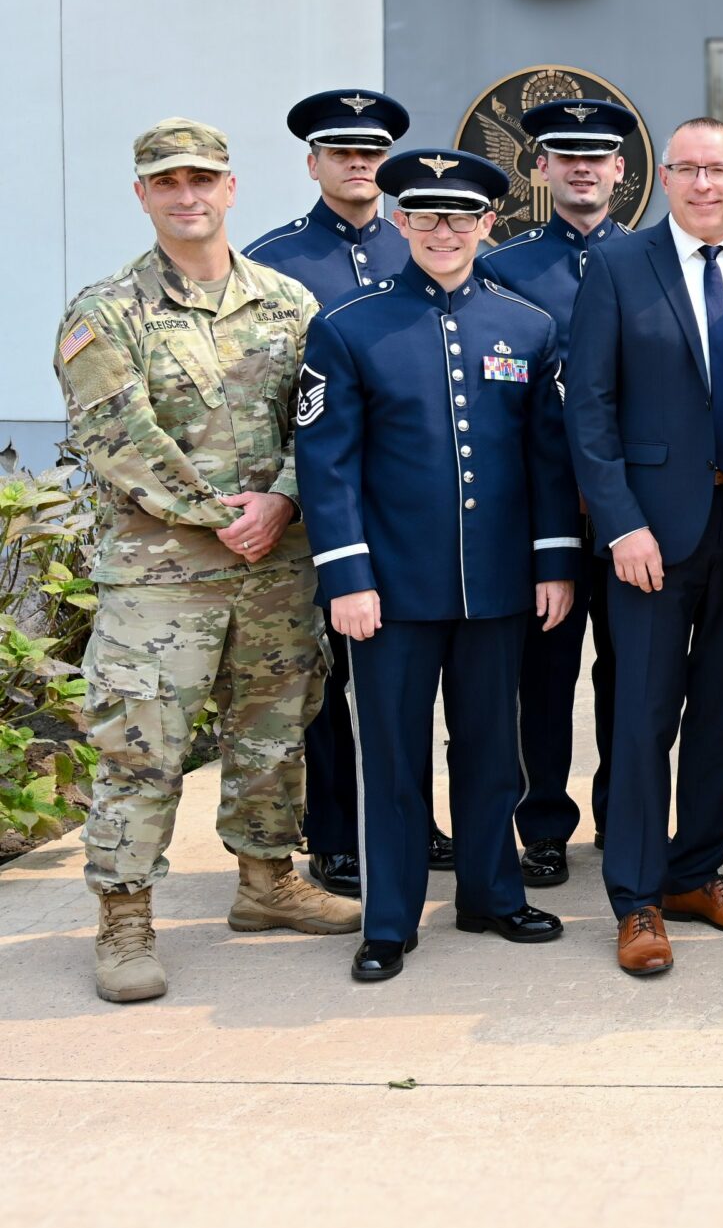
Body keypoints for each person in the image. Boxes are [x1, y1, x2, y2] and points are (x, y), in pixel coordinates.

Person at [57, 119, 359, 1003]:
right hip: (162, 577)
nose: (186, 195)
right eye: (166, 182)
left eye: (203, 180)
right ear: (143, 195)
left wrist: (285, 500)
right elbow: (114, 432)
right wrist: (217, 515)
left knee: (272, 732)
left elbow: (327, 418)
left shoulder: (287, 301)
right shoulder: (106, 309)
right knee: (140, 748)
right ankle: (123, 914)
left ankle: (267, 884)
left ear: (231, 190)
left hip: (275, 564)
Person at [293, 150, 582, 981]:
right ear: (404, 224)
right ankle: (389, 920)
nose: (444, 231)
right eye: (425, 216)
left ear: (489, 222)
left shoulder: (526, 326)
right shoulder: (349, 325)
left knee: (493, 749)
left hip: (496, 585)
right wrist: (346, 577)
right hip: (389, 591)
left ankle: (492, 893)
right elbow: (328, 462)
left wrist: (554, 563)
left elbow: (546, 461)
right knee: (390, 757)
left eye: (461, 217)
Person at [565, 117, 723, 976]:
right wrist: (619, 523)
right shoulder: (620, 267)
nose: (705, 185)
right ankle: (636, 899)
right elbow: (587, 407)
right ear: (662, 179)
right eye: (688, 169)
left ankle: (698, 871)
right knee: (645, 715)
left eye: (721, 170)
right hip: (653, 530)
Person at [243, 89, 419, 896]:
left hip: (411, 507)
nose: (359, 164)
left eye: (371, 152)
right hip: (316, 501)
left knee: (408, 672)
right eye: (342, 152)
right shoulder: (273, 260)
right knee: (327, 678)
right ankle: (336, 833)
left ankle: (415, 819)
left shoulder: (423, 242)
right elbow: (264, 400)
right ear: (312, 163)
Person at [479, 95, 638, 888]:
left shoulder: (651, 262)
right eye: (564, 156)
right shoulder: (499, 269)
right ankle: (543, 822)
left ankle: (624, 815)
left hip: (632, 513)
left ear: (619, 170)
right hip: (539, 511)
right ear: (540, 170)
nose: (582, 168)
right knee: (542, 679)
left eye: (597, 156)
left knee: (631, 672)